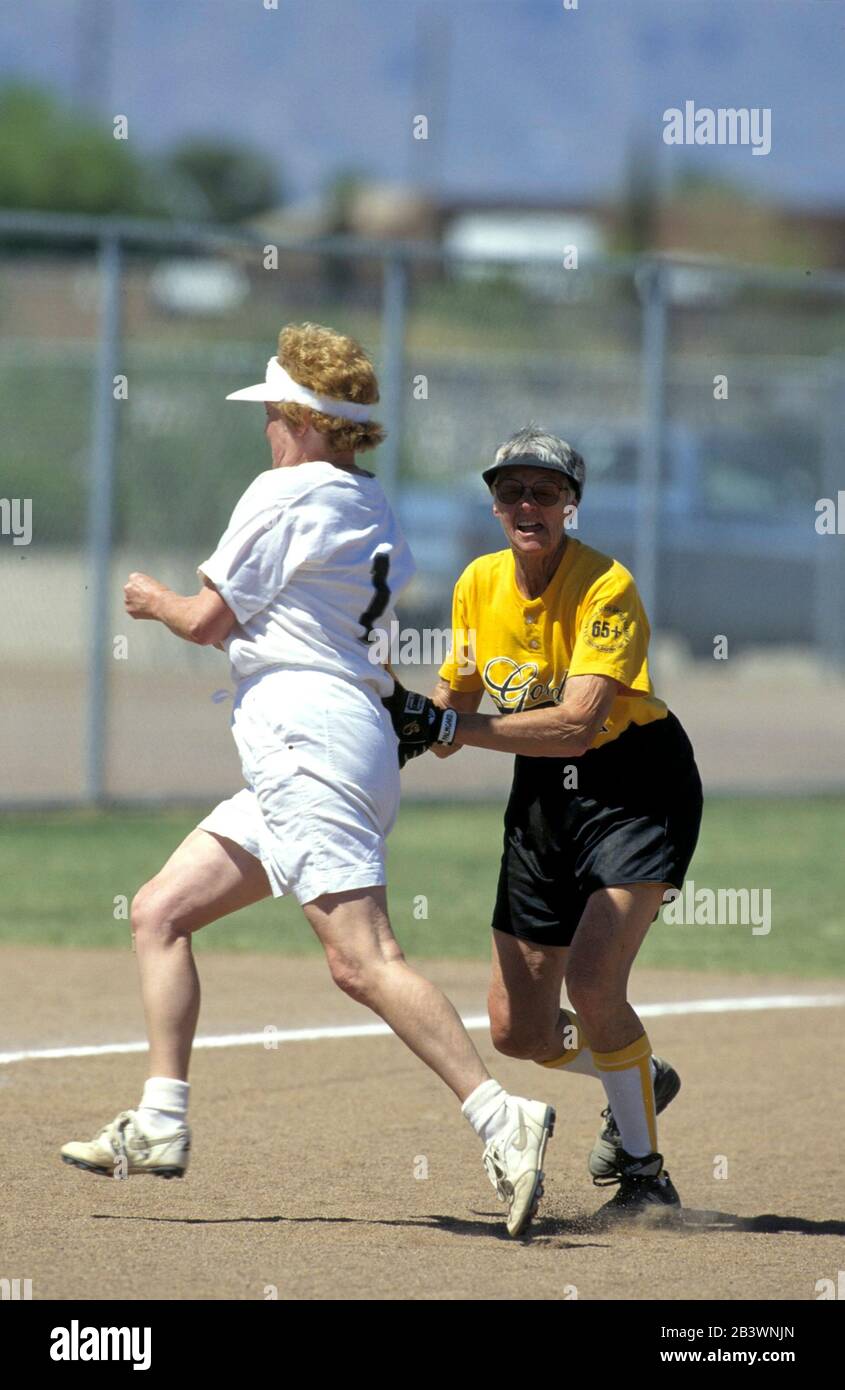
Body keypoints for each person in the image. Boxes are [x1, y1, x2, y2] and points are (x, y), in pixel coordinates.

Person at [60, 327, 555, 1239]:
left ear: (301, 419)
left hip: (307, 739)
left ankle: (499, 1114)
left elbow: (209, 621)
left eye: (272, 416)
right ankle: (161, 1120)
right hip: (340, 737)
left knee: (359, 960)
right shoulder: (372, 502)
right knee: (160, 912)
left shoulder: (281, 489)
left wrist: (152, 600)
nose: (266, 433)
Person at [384, 425, 703, 1216]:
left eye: (545, 490)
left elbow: (578, 723)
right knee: (516, 1031)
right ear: (493, 505)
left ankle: (643, 1175)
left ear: (571, 505)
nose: (526, 503)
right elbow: (452, 712)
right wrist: (390, 728)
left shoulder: (606, 585)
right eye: (510, 490)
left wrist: (450, 729)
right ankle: (634, 1076)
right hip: (541, 798)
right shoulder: (477, 583)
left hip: (634, 785)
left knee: (595, 979)